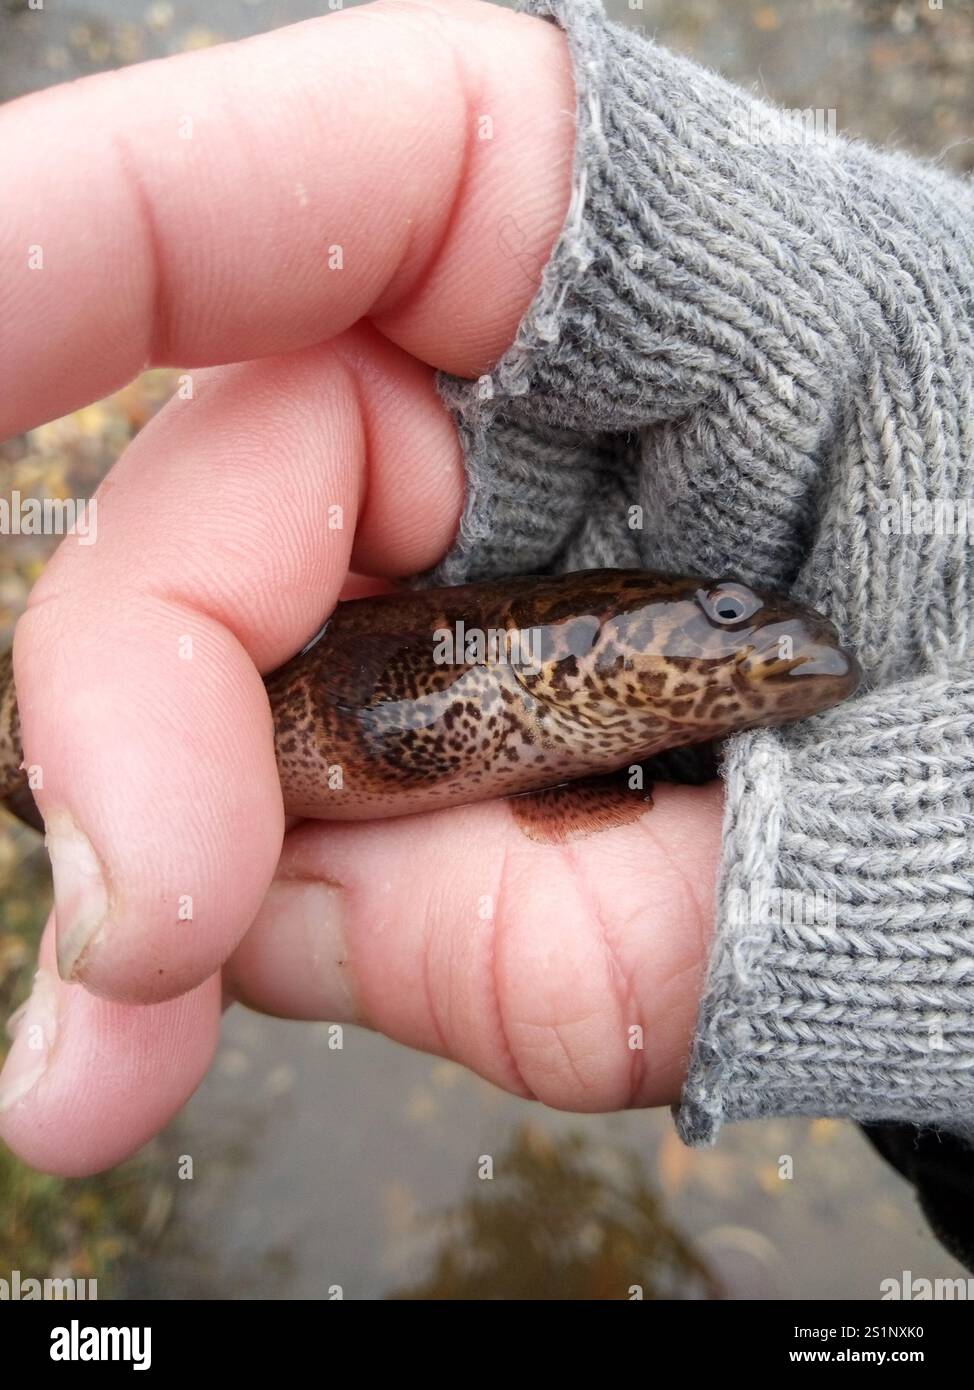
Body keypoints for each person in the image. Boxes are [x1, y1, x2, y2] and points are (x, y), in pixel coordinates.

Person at [1, 0, 972, 1272]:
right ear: (591, 638)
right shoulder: (535, 678)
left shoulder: (631, 695)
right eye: (722, 615)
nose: (752, 634)